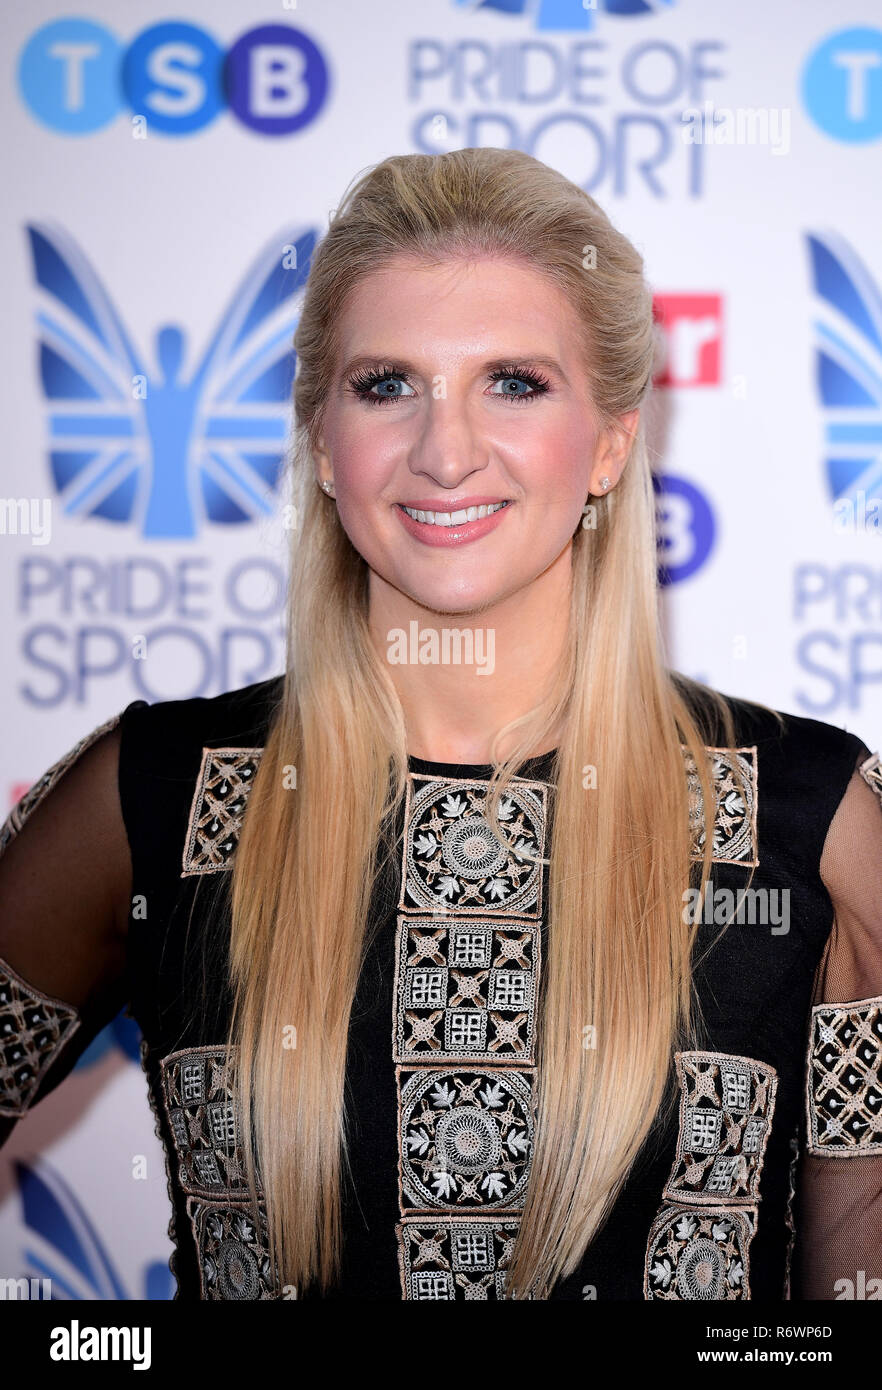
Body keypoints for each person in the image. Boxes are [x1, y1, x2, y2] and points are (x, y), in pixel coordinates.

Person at [1, 148, 879, 1302]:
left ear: (614, 440)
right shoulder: (155, 795)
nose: (446, 449)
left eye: (513, 381)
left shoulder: (809, 817)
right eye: (387, 385)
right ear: (323, 440)